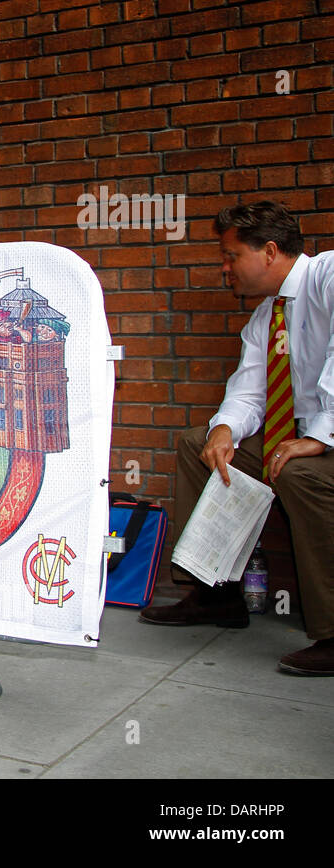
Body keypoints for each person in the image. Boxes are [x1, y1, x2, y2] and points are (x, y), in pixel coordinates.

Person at [140, 201, 334, 676]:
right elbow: (249, 392)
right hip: (302, 436)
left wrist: (323, 436)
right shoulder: (268, 316)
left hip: (322, 439)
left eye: (230, 255)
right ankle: (215, 593)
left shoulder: (329, 275)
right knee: (197, 444)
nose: (223, 267)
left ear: (269, 251)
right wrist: (225, 428)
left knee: (302, 472)